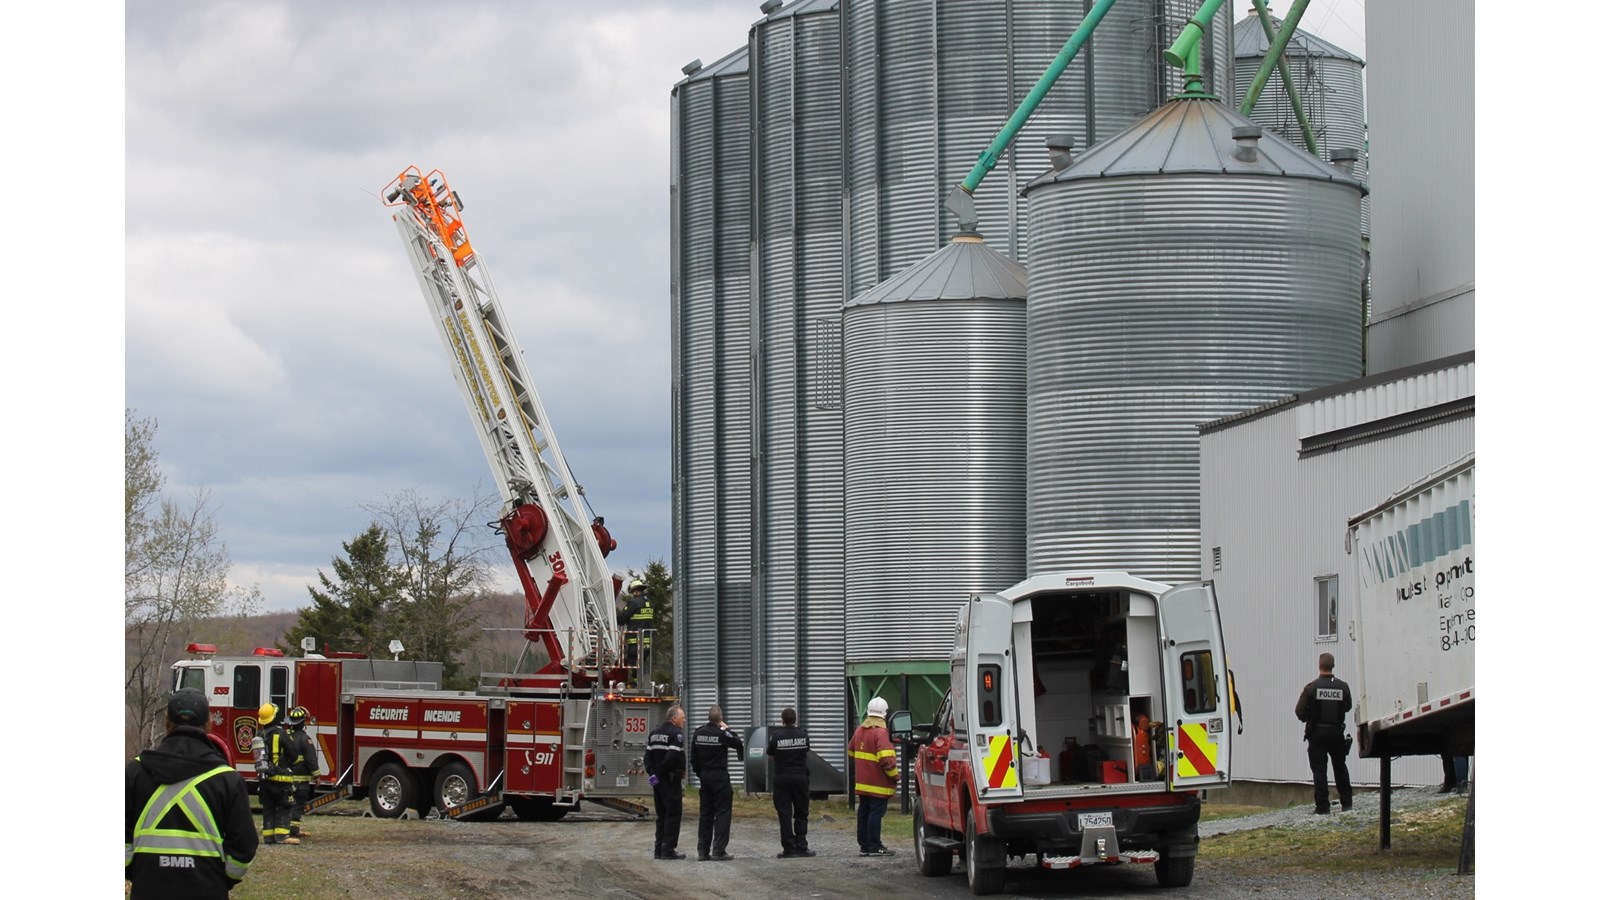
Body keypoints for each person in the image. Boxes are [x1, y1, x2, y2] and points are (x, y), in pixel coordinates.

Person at [126, 689, 258, 898]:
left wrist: (139, 873)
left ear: (167, 722)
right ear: (209, 724)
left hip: (148, 889)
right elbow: (243, 848)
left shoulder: (134, 772)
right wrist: (220, 881)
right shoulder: (228, 779)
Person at [1294, 652, 1353, 814]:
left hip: (1317, 734)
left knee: (1319, 771)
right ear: (1332, 666)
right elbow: (1347, 707)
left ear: (1319, 666)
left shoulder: (1311, 687)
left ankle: (1322, 807)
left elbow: (1299, 712)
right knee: (1340, 767)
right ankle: (1347, 803)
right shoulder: (1343, 686)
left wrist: (1309, 718)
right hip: (1336, 733)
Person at [690, 704, 744, 860]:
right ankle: (719, 850)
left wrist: (699, 773)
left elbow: (693, 757)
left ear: (708, 717)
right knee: (722, 812)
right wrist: (727, 729)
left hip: (705, 776)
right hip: (719, 776)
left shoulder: (698, 733)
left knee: (705, 813)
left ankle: (702, 851)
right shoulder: (722, 734)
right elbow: (737, 743)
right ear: (720, 719)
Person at [849, 696, 900, 856]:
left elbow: (850, 750)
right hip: (878, 784)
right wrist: (895, 776)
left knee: (864, 811)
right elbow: (887, 760)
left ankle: (864, 845)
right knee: (875, 813)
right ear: (885, 714)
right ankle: (875, 846)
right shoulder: (881, 733)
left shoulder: (859, 730)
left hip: (862, 783)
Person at [767, 706, 816, 858]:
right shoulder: (803, 735)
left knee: (784, 813)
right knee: (801, 812)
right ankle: (802, 846)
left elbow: (770, 755)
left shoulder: (776, 736)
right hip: (800, 777)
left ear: (782, 720)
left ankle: (788, 848)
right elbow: (806, 752)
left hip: (782, 778)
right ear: (795, 720)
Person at [251, 702, 301, 844]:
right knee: (285, 805)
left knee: (269, 807)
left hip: (264, 779)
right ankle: (282, 836)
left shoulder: (260, 735)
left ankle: (268, 836)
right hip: (281, 779)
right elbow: (294, 755)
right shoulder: (280, 732)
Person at [645, 705, 688, 860]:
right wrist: (659, 773)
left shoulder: (654, 733)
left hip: (657, 782)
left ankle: (659, 849)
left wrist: (653, 774)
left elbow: (647, 757)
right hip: (669, 780)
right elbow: (671, 757)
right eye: (682, 718)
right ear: (674, 718)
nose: (684, 721)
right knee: (673, 814)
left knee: (661, 815)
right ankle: (668, 849)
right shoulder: (676, 734)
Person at [284, 706, 319, 840]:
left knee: (287, 804)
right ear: (303, 723)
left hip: (286, 779)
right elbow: (311, 760)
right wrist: (317, 776)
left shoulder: (286, 737)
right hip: (301, 782)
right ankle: (294, 829)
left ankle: (286, 827)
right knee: (298, 805)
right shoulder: (306, 739)